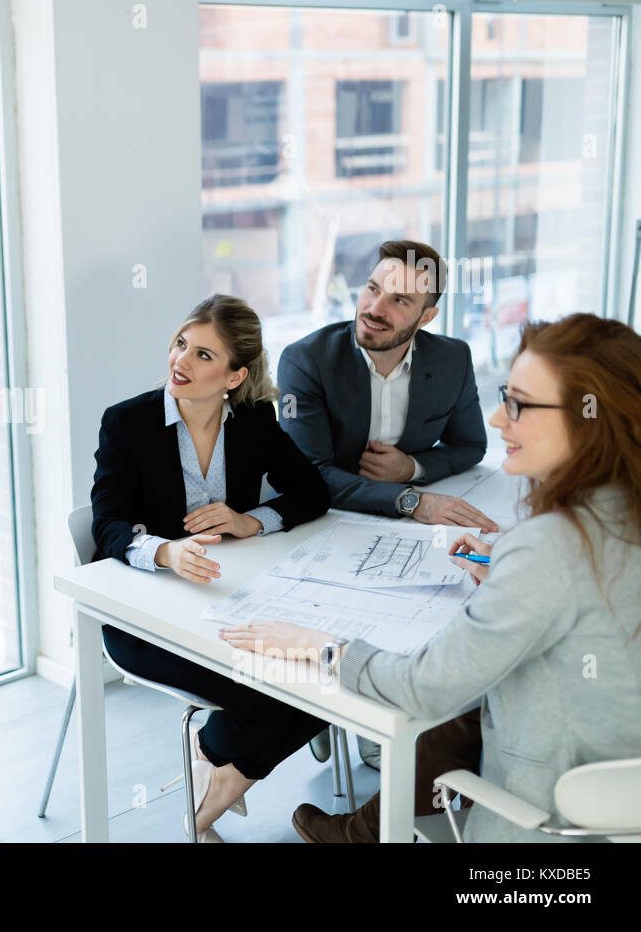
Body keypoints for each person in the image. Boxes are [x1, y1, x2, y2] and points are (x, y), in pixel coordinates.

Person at [221, 313, 641, 842]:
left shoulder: (552, 546)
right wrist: (510, 570)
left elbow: (419, 688)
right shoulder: (613, 520)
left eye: (518, 404)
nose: (497, 419)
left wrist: (317, 645)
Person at [91, 295, 331, 841]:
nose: (180, 361)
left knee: (326, 679)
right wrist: (162, 550)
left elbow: (310, 490)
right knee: (273, 691)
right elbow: (107, 526)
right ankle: (215, 778)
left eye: (203, 354)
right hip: (147, 619)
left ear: (235, 374)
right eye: (181, 344)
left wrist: (253, 521)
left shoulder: (253, 420)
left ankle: (213, 770)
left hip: (236, 600)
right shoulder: (126, 423)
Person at [278, 239, 496, 769]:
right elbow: (309, 476)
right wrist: (410, 498)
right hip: (319, 525)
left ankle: (399, 723)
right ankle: (338, 711)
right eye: (373, 289)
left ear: (427, 316)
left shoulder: (452, 359)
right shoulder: (305, 361)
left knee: (445, 605)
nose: (375, 308)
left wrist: (412, 468)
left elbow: (472, 445)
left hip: (401, 531)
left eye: (399, 300)